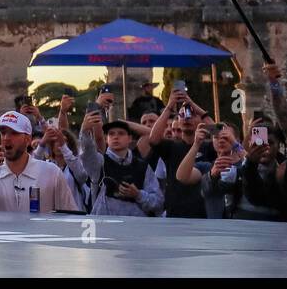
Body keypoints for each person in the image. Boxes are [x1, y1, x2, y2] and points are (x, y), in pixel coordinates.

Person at [0, 111, 82, 213]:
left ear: (28, 139)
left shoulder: (51, 172)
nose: (6, 138)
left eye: (14, 133)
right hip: (2, 243)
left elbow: (69, 214)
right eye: (3, 132)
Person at [143, 85, 210, 218]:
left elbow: (221, 133)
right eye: (183, 114)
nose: (187, 117)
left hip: (204, 214)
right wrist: (169, 107)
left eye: (192, 114)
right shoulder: (172, 147)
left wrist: (193, 104)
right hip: (175, 213)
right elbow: (153, 139)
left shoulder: (208, 147)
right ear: (177, 121)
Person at [79, 117, 162, 217]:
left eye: (121, 133)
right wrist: (84, 131)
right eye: (111, 134)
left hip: (136, 228)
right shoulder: (99, 163)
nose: (116, 137)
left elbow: (158, 203)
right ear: (106, 139)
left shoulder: (143, 167)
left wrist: (138, 195)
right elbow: (87, 152)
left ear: (130, 138)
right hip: (105, 228)